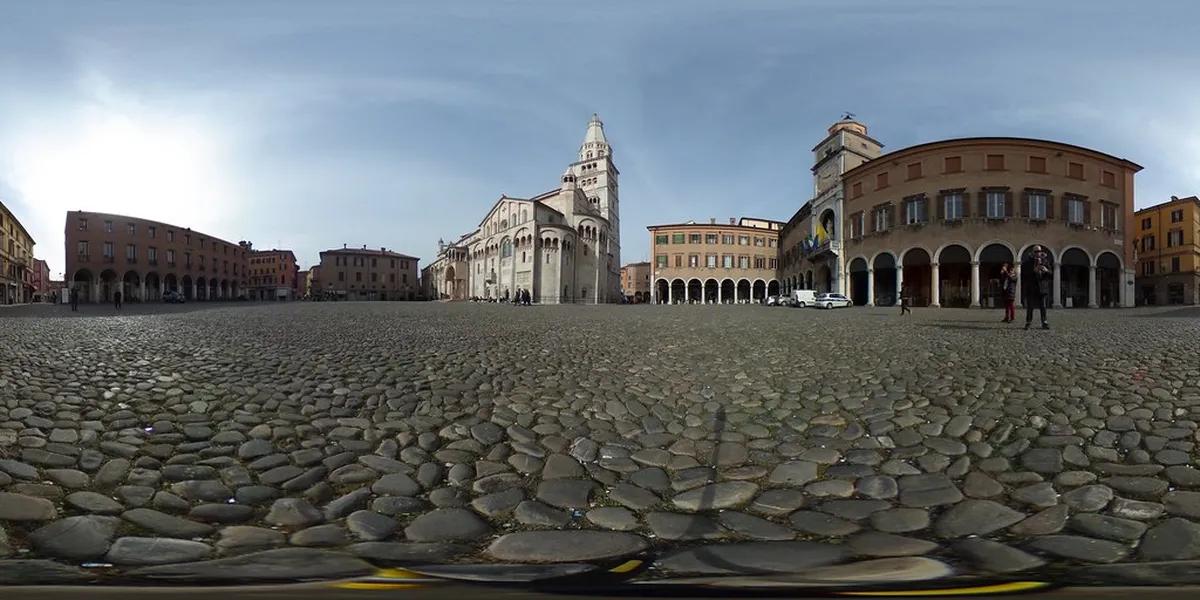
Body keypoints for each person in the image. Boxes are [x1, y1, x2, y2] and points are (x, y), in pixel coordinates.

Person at [1021, 245, 1051, 330]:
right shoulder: (1027, 263)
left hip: (1042, 288)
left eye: (1039, 251)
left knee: (1043, 306)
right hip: (1031, 287)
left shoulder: (1045, 262)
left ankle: (1044, 322)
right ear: (1032, 253)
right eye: (1036, 251)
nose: (1038, 253)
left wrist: (1046, 270)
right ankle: (1028, 322)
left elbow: (1050, 274)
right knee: (1030, 306)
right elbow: (1024, 274)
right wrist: (1033, 270)